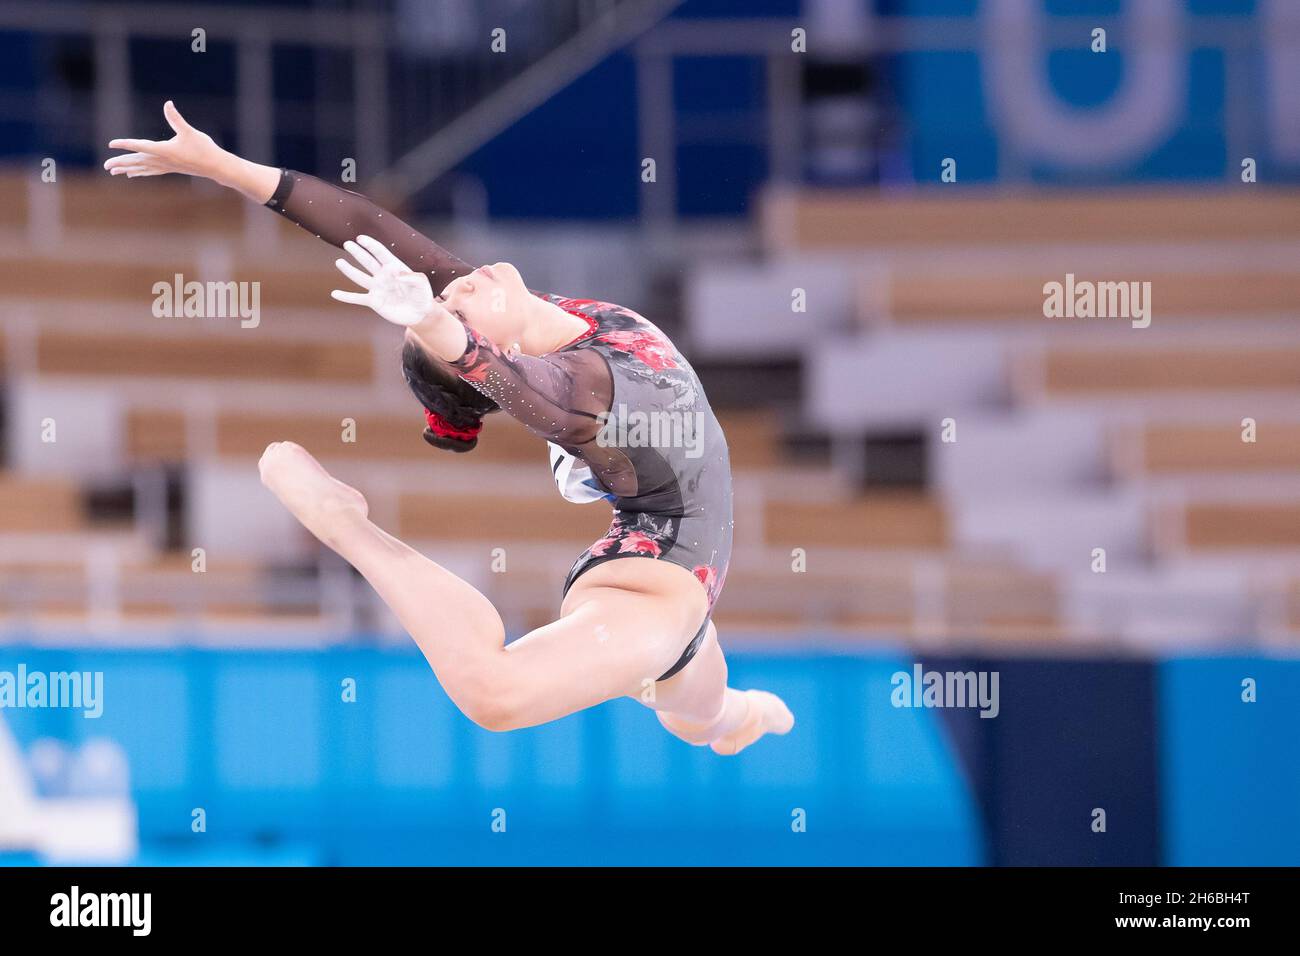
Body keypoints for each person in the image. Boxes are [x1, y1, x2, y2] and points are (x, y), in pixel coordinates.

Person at [105, 101, 793, 754]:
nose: (455, 287)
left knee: (700, 718)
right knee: (497, 696)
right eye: (456, 310)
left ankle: (737, 714)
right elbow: (536, 400)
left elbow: (361, 224)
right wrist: (441, 330)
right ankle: (346, 525)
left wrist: (222, 165)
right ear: (497, 354)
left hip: (683, 616)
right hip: (646, 591)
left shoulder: (522, 316)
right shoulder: (585, 390)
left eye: (449, 293)